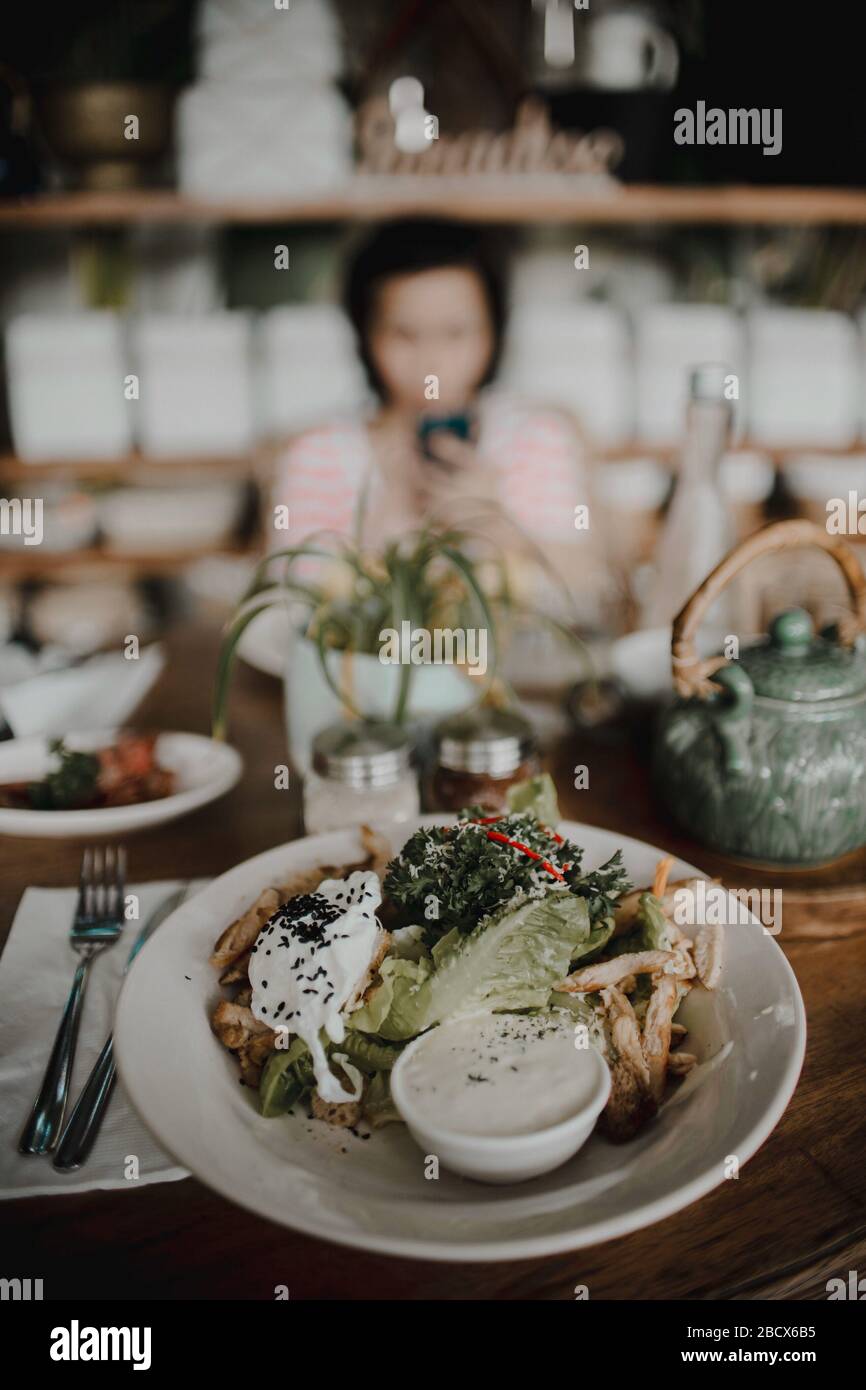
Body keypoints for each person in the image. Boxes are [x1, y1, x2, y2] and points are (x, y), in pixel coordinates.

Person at [271, 217, 601, 619]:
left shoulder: (537, 440)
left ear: (494, 334)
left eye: (455, 333)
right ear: (364, 336)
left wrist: (496, 525)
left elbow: (588, 592)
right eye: (405, 335)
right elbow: (289, 607)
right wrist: (386, 524)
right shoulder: (318, 454)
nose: (431, 364)